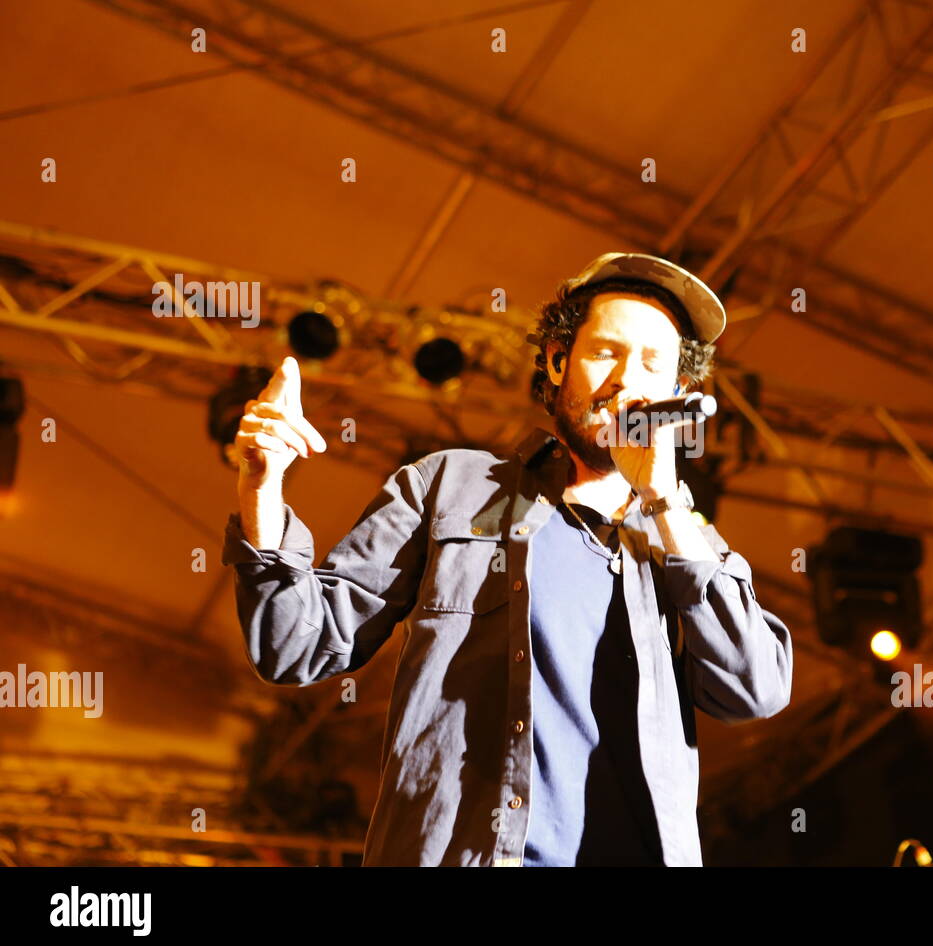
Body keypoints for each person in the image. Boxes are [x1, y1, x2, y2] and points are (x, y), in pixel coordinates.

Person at [221, 252, 794, 866]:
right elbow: (297, 646)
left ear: (679, 394)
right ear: (556, 359)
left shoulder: (687, 542)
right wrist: (262, 486)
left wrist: (661, 502)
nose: (627, 380)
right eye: (606, 353)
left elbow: (753, 689)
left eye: (653, 364)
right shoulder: (448, 487)